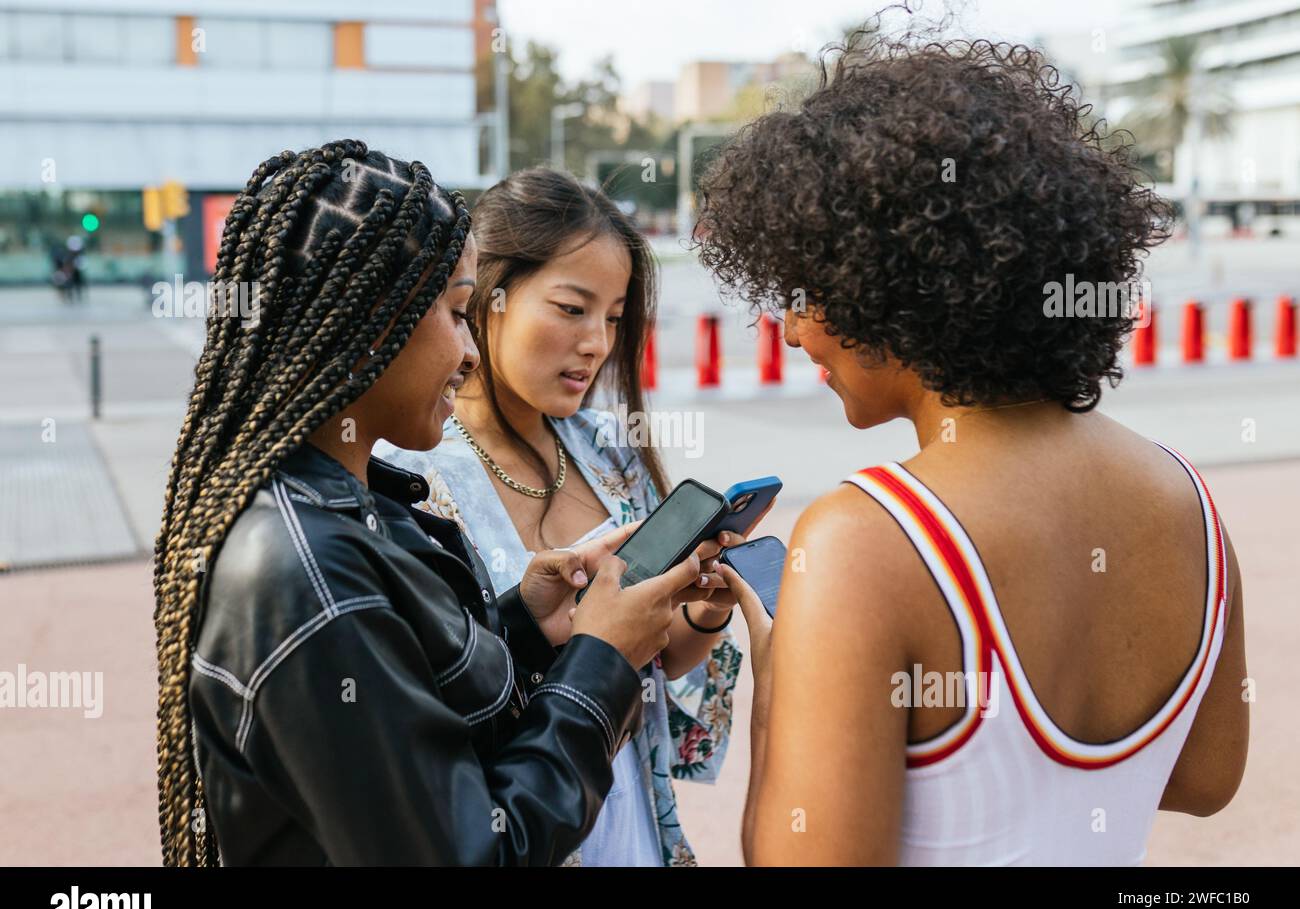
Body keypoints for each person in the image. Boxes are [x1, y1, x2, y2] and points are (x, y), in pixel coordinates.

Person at [695, 26, 1250, 865]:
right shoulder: (1188, 504)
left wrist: (781, 670)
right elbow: (1205, 778)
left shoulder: (868, 540)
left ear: (897, 288)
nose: (797, 329)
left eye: (809, 288)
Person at [153, 140, 701, 866]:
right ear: (368, 322)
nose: (469, 351)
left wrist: (528, 630)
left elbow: (422, 711)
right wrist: (600, 660)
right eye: (455, 311)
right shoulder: (304, 571)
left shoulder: (350, 509)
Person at [377, 167, 748, 866]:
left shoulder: (610, 448)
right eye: (572, 308)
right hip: (507, 829)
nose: (597, 344)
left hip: (627, 818)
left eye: (612, 317)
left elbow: (662, 661)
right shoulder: (411, 475)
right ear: (491, 297)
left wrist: (702, 608)